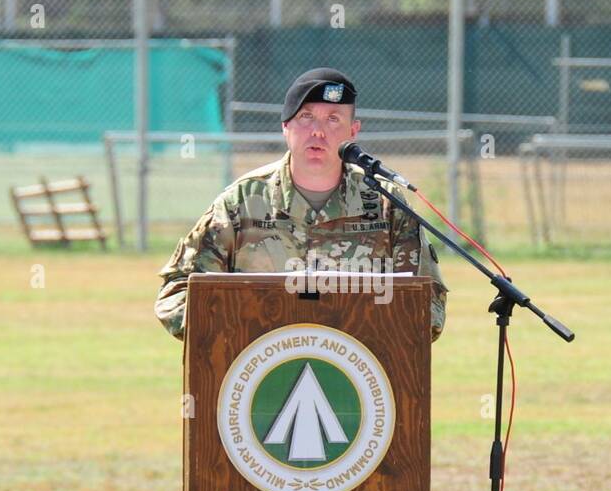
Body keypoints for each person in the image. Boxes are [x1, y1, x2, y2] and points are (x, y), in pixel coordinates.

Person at [154, 67, 448, 341]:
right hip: (256, 377)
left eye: (333, 119)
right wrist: (244, 332)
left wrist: (363, 334)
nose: (318, 131)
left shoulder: (387, 205)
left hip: (361, 380)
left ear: (353, 131)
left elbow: (428, 305)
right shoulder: (242, 203)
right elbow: (176, 295)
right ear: (286, 126)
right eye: (306, 117)